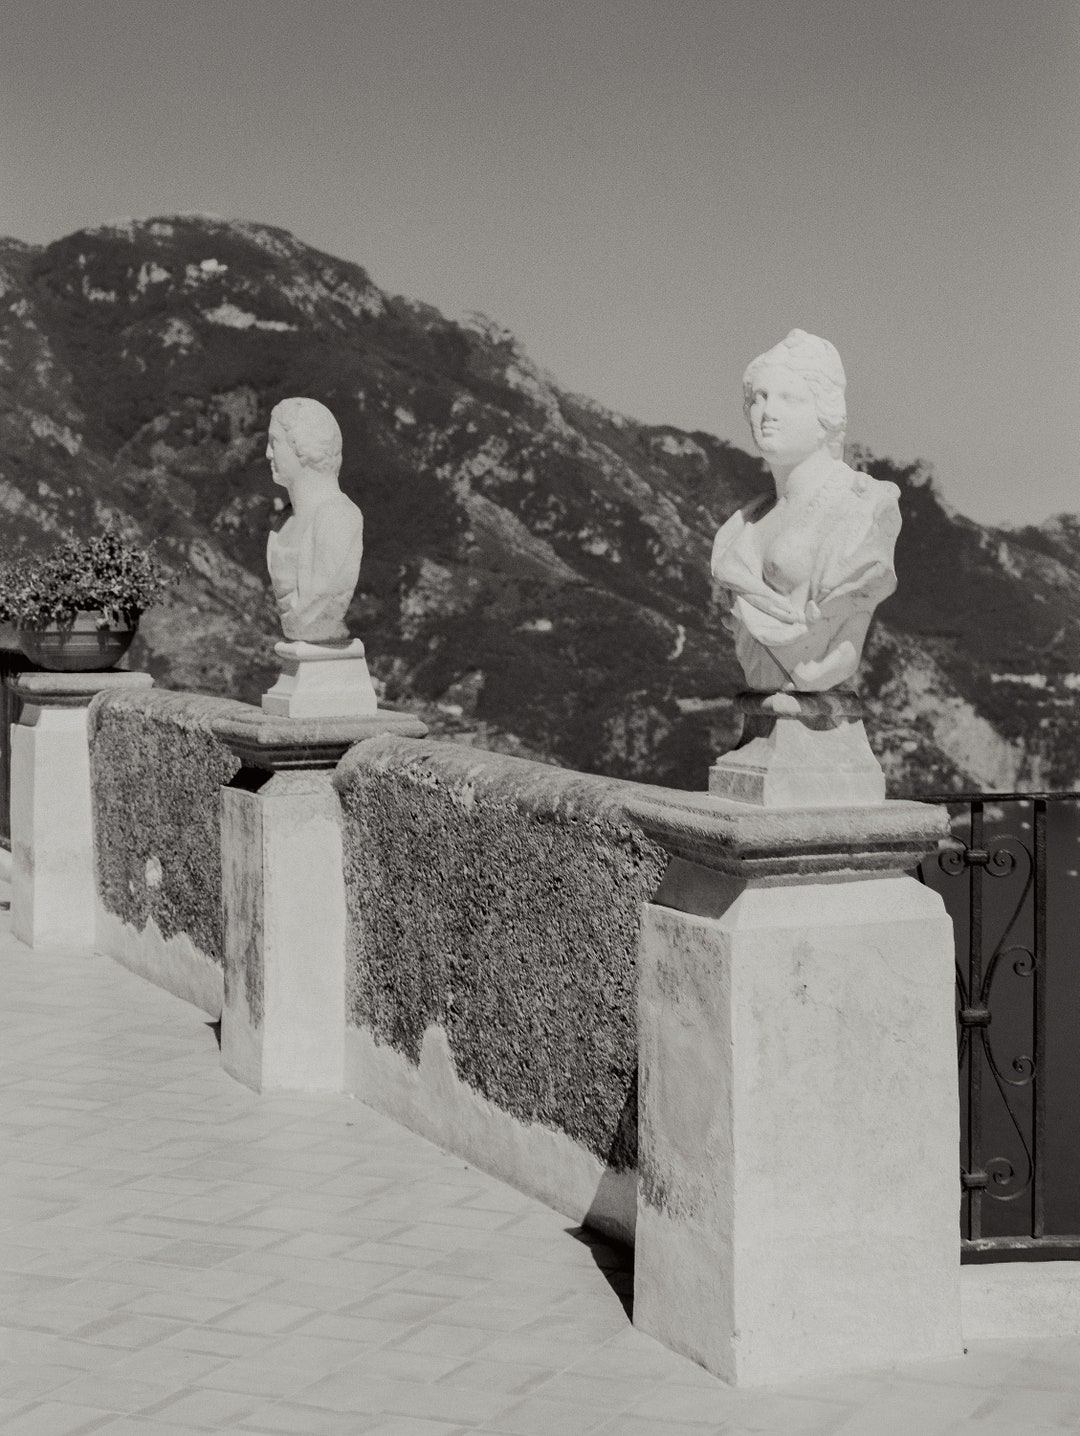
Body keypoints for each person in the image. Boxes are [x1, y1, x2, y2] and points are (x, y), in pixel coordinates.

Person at [711, 329, 900, 692]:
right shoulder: (742, 525)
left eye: (789, 399)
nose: (767, 413)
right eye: (758, 398)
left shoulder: (862, 507)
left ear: (826, 416)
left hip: (811, 707)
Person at [265, 397, 365, 644]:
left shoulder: (338, 519)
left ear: (301, 447)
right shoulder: (283, 522)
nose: (268, 453)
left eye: (274, 442)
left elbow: (323, 601)